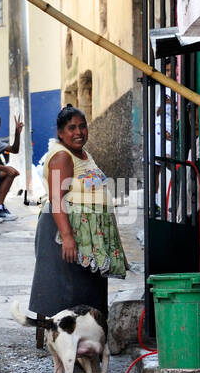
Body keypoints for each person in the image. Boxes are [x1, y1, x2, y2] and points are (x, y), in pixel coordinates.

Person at [29, 105, 129, 321]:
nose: (78, 132)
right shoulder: (62, 157)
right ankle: (64, 335)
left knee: (86, 287)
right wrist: (67, 237)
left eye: (82, 126)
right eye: (71, 128)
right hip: (63, 228)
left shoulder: (82, 153)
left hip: (87, 231)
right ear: (60, 132)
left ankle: (87, 333)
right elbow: (57, 198)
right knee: (64, 288)